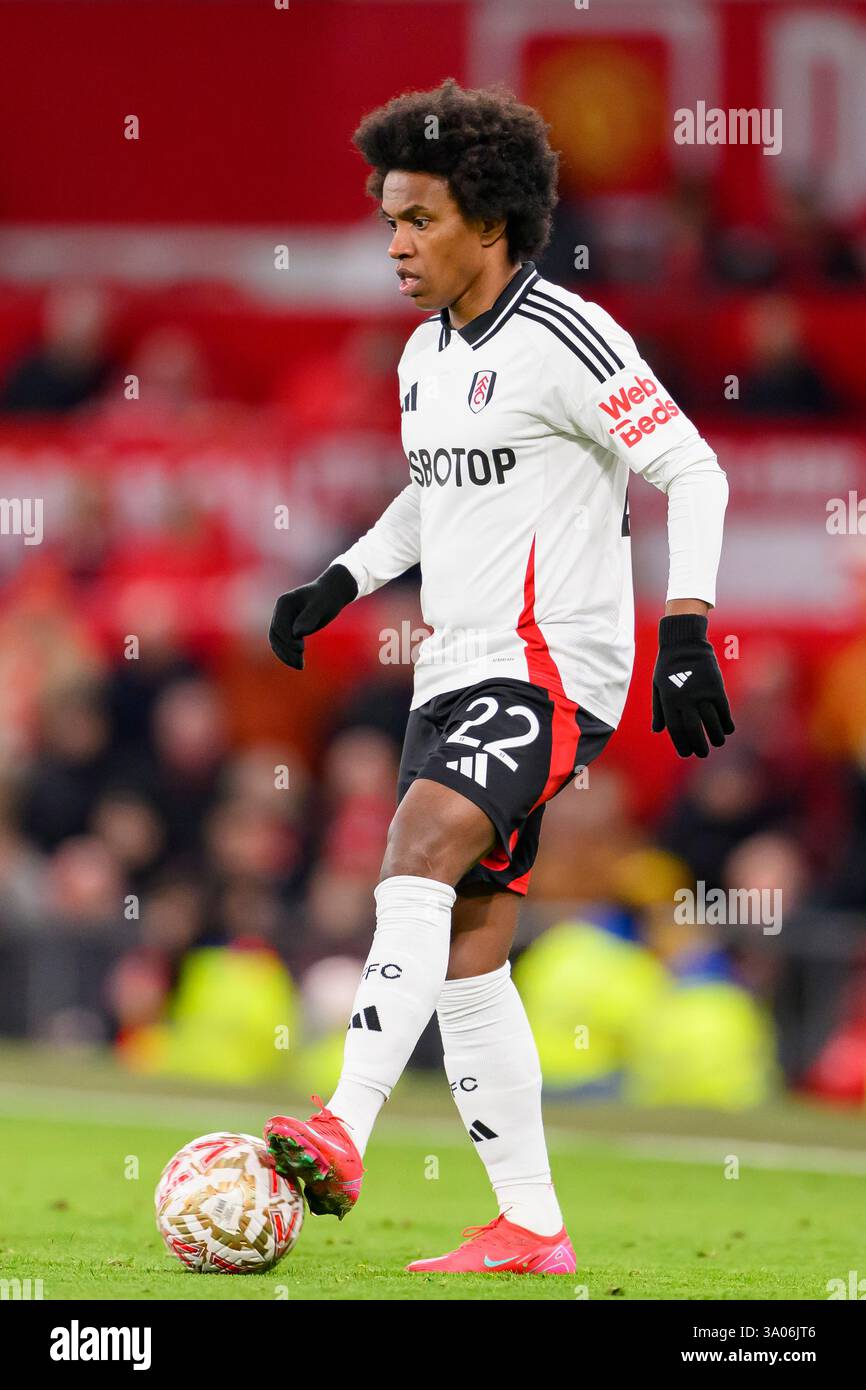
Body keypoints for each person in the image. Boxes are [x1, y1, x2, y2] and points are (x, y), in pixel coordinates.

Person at [263, 79, 734, 1276]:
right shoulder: (426, 357)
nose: (395, 245)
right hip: (450, 670)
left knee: (413, 846)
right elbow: (433, 492)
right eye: (386, 220)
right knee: (470, 940)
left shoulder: (568, 336)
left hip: (545, 665)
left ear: (490, 220)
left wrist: (685, 624)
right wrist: (341, 578)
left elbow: (693, 470)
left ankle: (342, 1126)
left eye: (416, 218)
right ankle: (531, 1222)